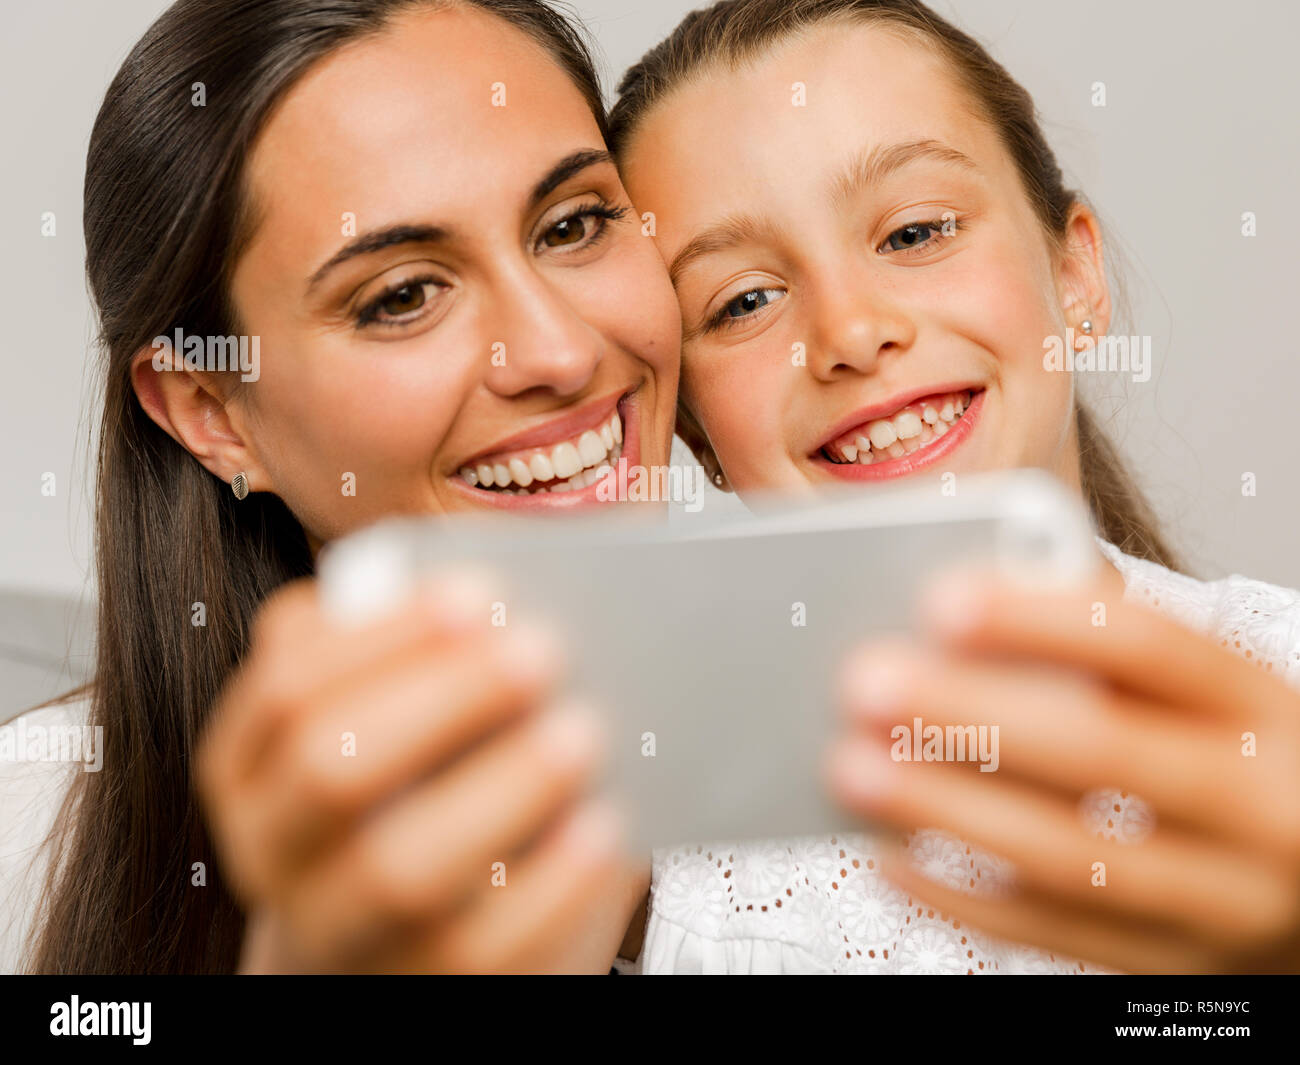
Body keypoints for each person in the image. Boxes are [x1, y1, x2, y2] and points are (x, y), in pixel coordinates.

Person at [608, 0, 1300, 973]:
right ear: (695, 432)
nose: (852, 333)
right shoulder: (636, 849)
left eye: (914, 233)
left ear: (1075, 274)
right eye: (745, 301)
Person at [0, 0, 682, 974]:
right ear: (212, 412)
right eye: (402, 296)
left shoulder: (876, 764)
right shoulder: (23, 841)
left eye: (572, 225)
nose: (560, 352)